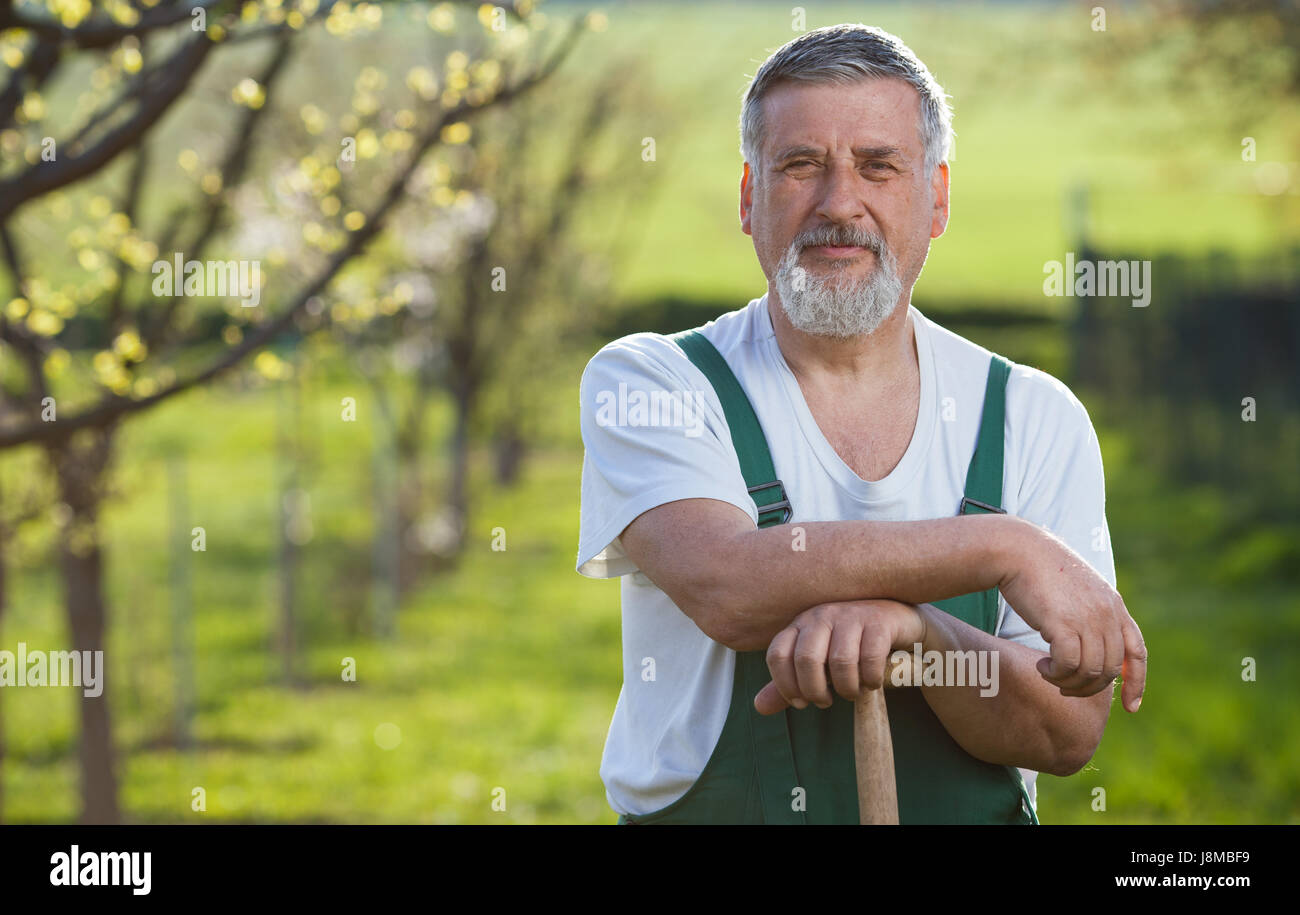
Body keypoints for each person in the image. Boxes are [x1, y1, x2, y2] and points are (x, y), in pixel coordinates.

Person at [576, 23, 1146, 824]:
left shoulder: (1031, 416)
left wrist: (916, 640)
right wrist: (1007, 547)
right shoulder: (655, 381)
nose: (839, 203)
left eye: (879, 166)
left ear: (937, 197)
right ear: (749, 199)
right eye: (800, 166)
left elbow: (1066, 734)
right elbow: (729, 586)